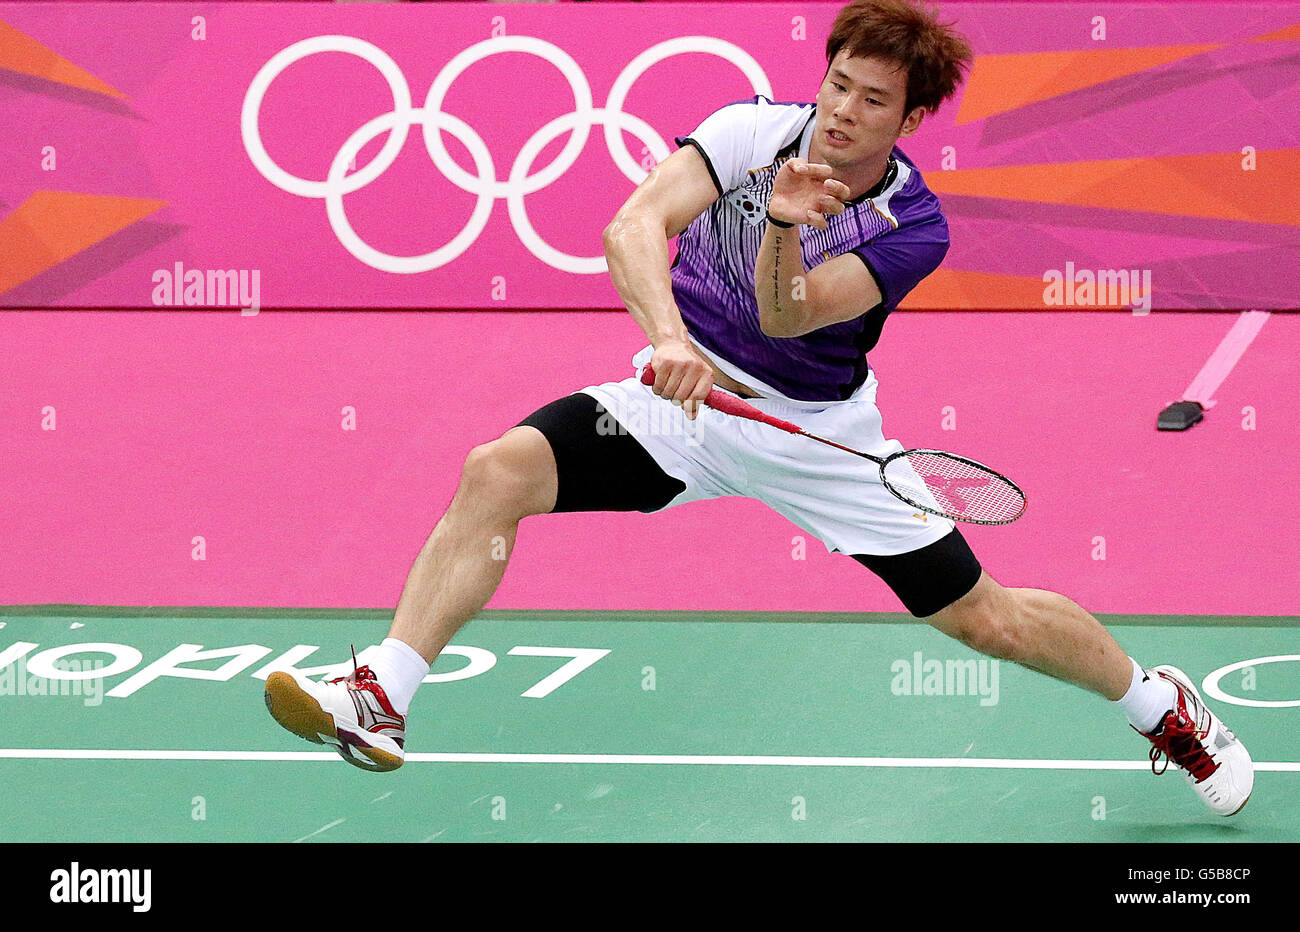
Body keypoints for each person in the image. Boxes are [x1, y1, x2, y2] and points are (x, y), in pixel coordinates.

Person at [264, 0, 1253, 816]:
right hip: (681, 399)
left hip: (819, 434)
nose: (842, 112)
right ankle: (384, 691)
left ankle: (1157, 702)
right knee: (497, 470)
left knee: (981, 616)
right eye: (836, 85)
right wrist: (665, 338)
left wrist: (781, 220)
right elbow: (634, 223)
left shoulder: (914, 225)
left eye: (873, 101)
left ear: (909, 122)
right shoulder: (745, 131)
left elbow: (789, 319)